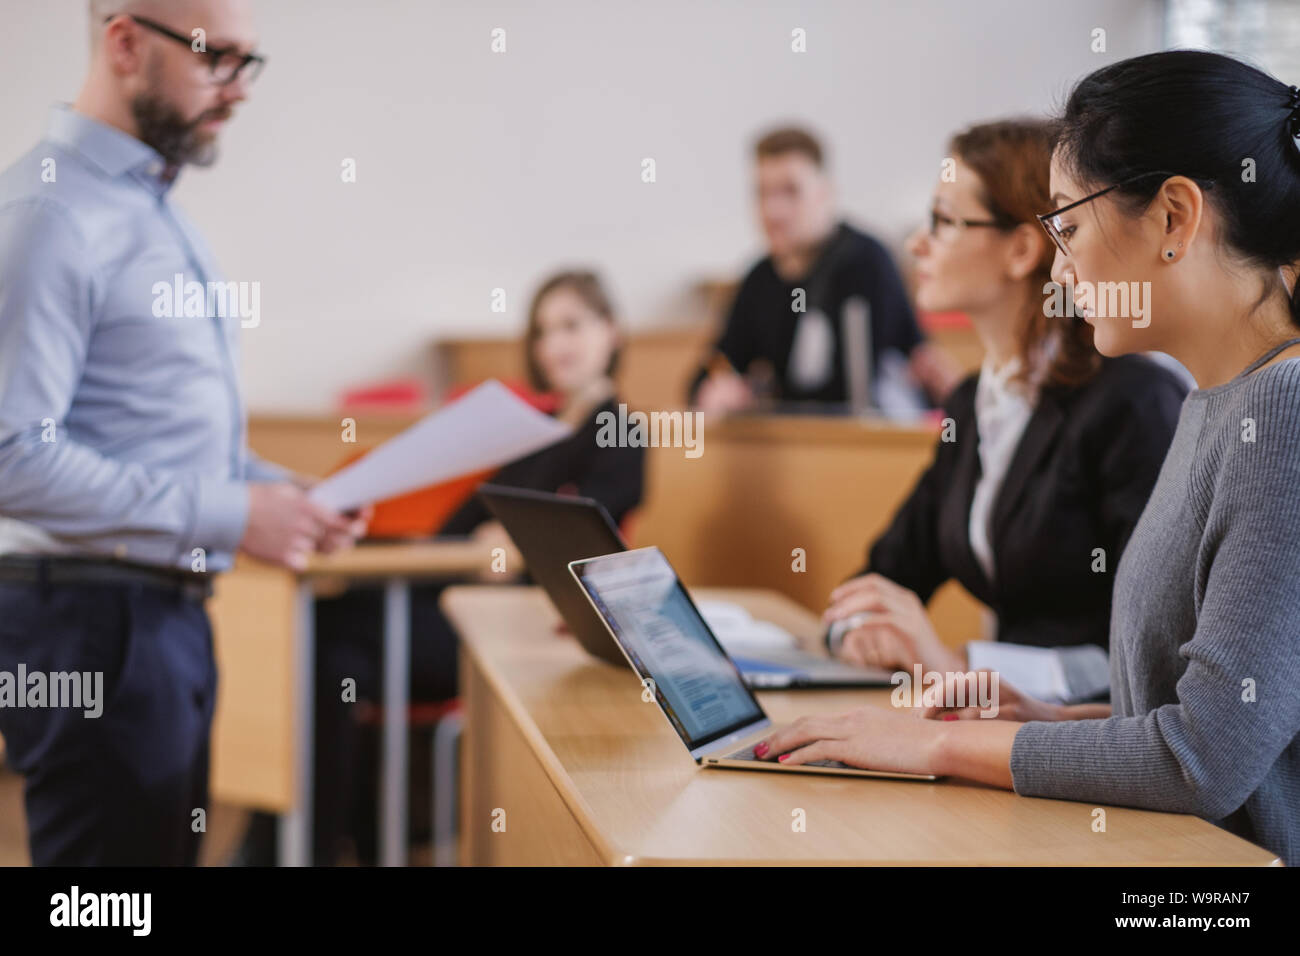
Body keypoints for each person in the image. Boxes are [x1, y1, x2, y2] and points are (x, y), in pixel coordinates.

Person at [755, 51, 1300, 867]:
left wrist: (938, 749)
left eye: (1068, 227)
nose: (1058, 266)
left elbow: (1202, 760)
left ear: (1175, 218)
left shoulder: (1282, 415)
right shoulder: (1217, 400)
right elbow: (1183, 715)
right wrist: (1037, 722)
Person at [0, 0, 366, 866]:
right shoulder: (50, 215)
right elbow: (10, 456)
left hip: (160, 613)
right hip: (89, 621)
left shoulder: (154, 213)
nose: (238, 89)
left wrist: (279, 496)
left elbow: (155, 436)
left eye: (250, 63)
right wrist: (236, 515)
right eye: (217, 58)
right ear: (124, 43)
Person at [237, 270, 645, 865]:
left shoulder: (621, 431)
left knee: (325, 645)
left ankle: (297, 849)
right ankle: (313, 846)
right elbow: (467, 531)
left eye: (572, 325)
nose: (556, 343)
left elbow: (562, 540)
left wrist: (504, 543)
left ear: (611, 331)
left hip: (510, 629)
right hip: (454, 602)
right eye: (543, 330)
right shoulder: (531, 433)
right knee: (315, 638)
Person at [823, 119, 1186, 705]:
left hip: (1093, 752)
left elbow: (1145, 662)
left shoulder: (1133, 402)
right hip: (1002, 739)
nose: (917, 243)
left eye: (943, 221)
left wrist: (959, 664)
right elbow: (881, 577)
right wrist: (856, 629)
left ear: (1021, 248)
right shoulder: (972, 401)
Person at [690, 126, 961, 415]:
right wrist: (718, 384)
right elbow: (718, 362)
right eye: (762, 192)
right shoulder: (760, 278)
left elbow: (916, 359)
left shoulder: (868, 262)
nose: (773, 210)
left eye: (790, 191)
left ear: (824, 193)